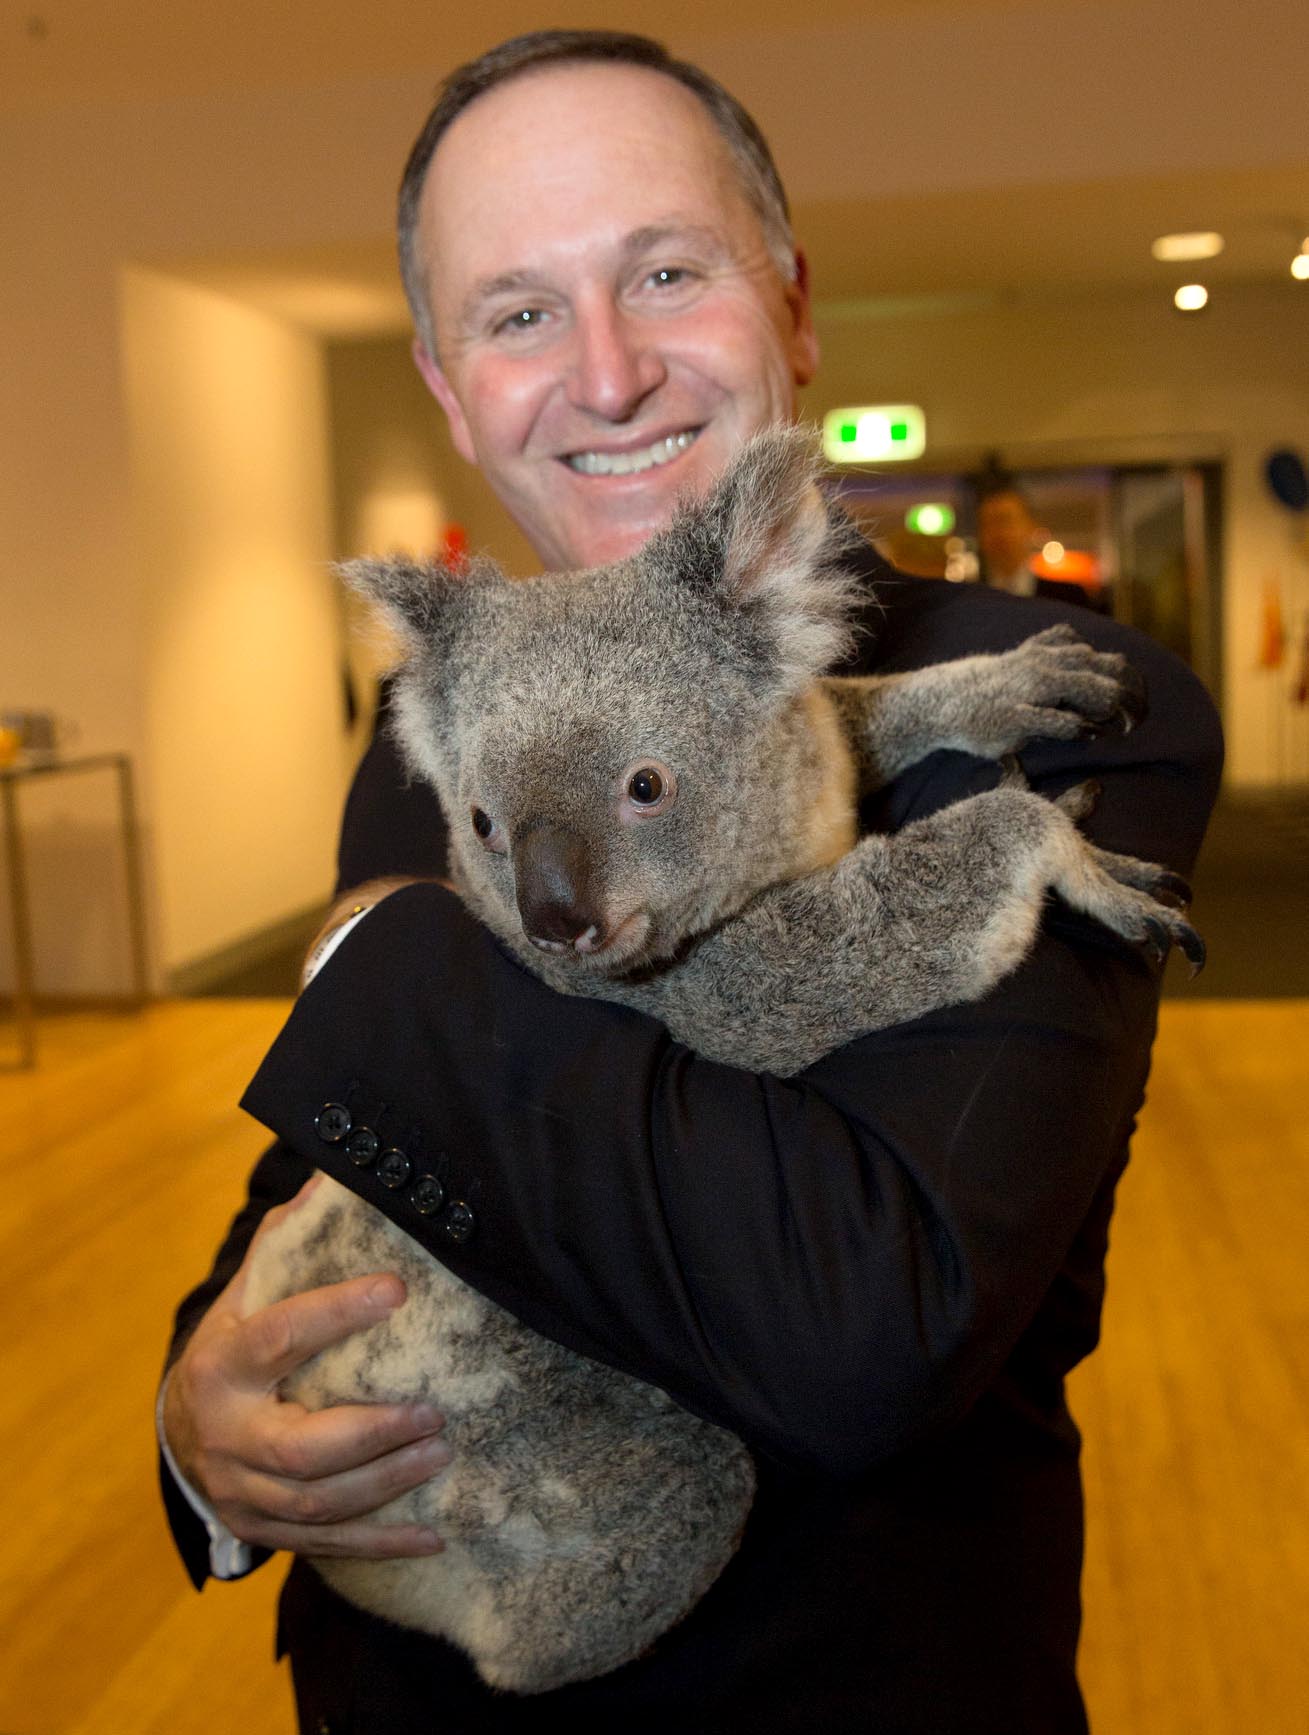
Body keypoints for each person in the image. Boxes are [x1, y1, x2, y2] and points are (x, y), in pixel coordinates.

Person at [160, 30, 1222, 1734]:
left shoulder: (1063, 707)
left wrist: (389, 965)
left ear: (791, 308)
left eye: (662, 271)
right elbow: (335, 1181)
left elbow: (858, 1323)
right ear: (448, 385)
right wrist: (201, 1409)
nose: (606, 372)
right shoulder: (443, 719)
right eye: (516, 312)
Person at [977, 483, 1100, 609]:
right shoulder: (970, 600)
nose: (998, 532)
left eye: (1005, 521)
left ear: (1029, 526)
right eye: (987, 523)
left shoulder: (1068, 597)